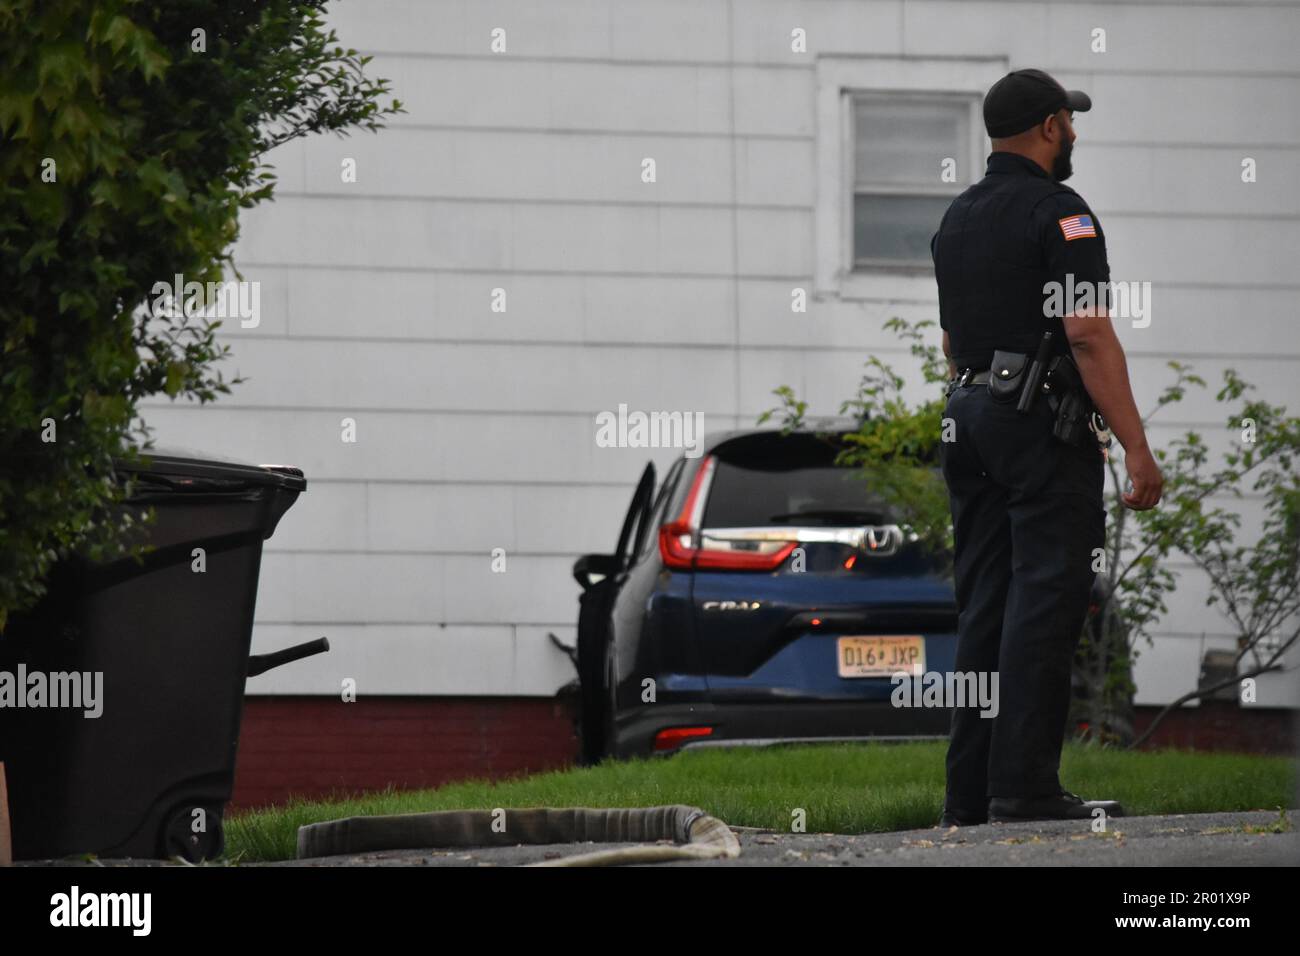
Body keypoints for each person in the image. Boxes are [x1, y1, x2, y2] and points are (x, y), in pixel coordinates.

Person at [929, 68, 1164, 825]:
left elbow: (949, 342)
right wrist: (1136, 447)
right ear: (1052, 125)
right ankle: (1025, 789)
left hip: (967, 417)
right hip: (1037, 426)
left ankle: (970, 795)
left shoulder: (957, 219)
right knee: (1047, 601)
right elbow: (1087, 333)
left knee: (987, 608)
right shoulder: (1063, 215)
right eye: (1070, 121)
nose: (1075, 134)